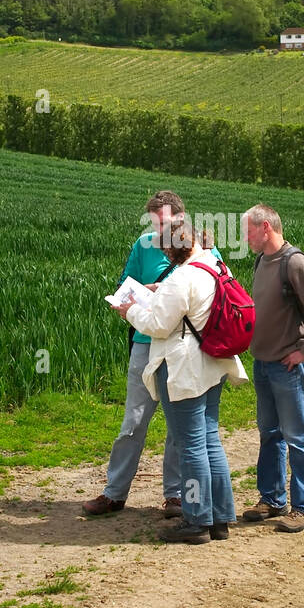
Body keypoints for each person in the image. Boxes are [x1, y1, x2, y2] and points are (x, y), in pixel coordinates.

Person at [82, 191, 222, 518]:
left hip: (185, 348)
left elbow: (211, 291)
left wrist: (161, 294)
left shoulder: (204, 248)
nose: (160, 231)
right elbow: (125, 285)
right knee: (133, 421)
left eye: (167, 223)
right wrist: (127, 303)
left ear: (181, 219)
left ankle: (175, 497)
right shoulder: (143, 245)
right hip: (146, 343)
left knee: (179, 428)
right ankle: (114, 493)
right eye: (155, 223)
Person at [114, 215, 246, 543]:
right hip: (214, 363)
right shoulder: (217, 268)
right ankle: (220, 519)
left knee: (190, 445)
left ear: (174, 250)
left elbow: (158, 325)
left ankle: (196, 520)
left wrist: (129, 310)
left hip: (185, 368)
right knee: (210, 440)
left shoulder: (183, 276)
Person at [241, 204, 304, 532]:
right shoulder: (261, 260)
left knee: (297, 436)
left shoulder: (293, 263)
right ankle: (272, 499)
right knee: (269, 434)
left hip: (288, 367)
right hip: (264, 365)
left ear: (265, 227)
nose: (245, 238)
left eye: (248, 231)